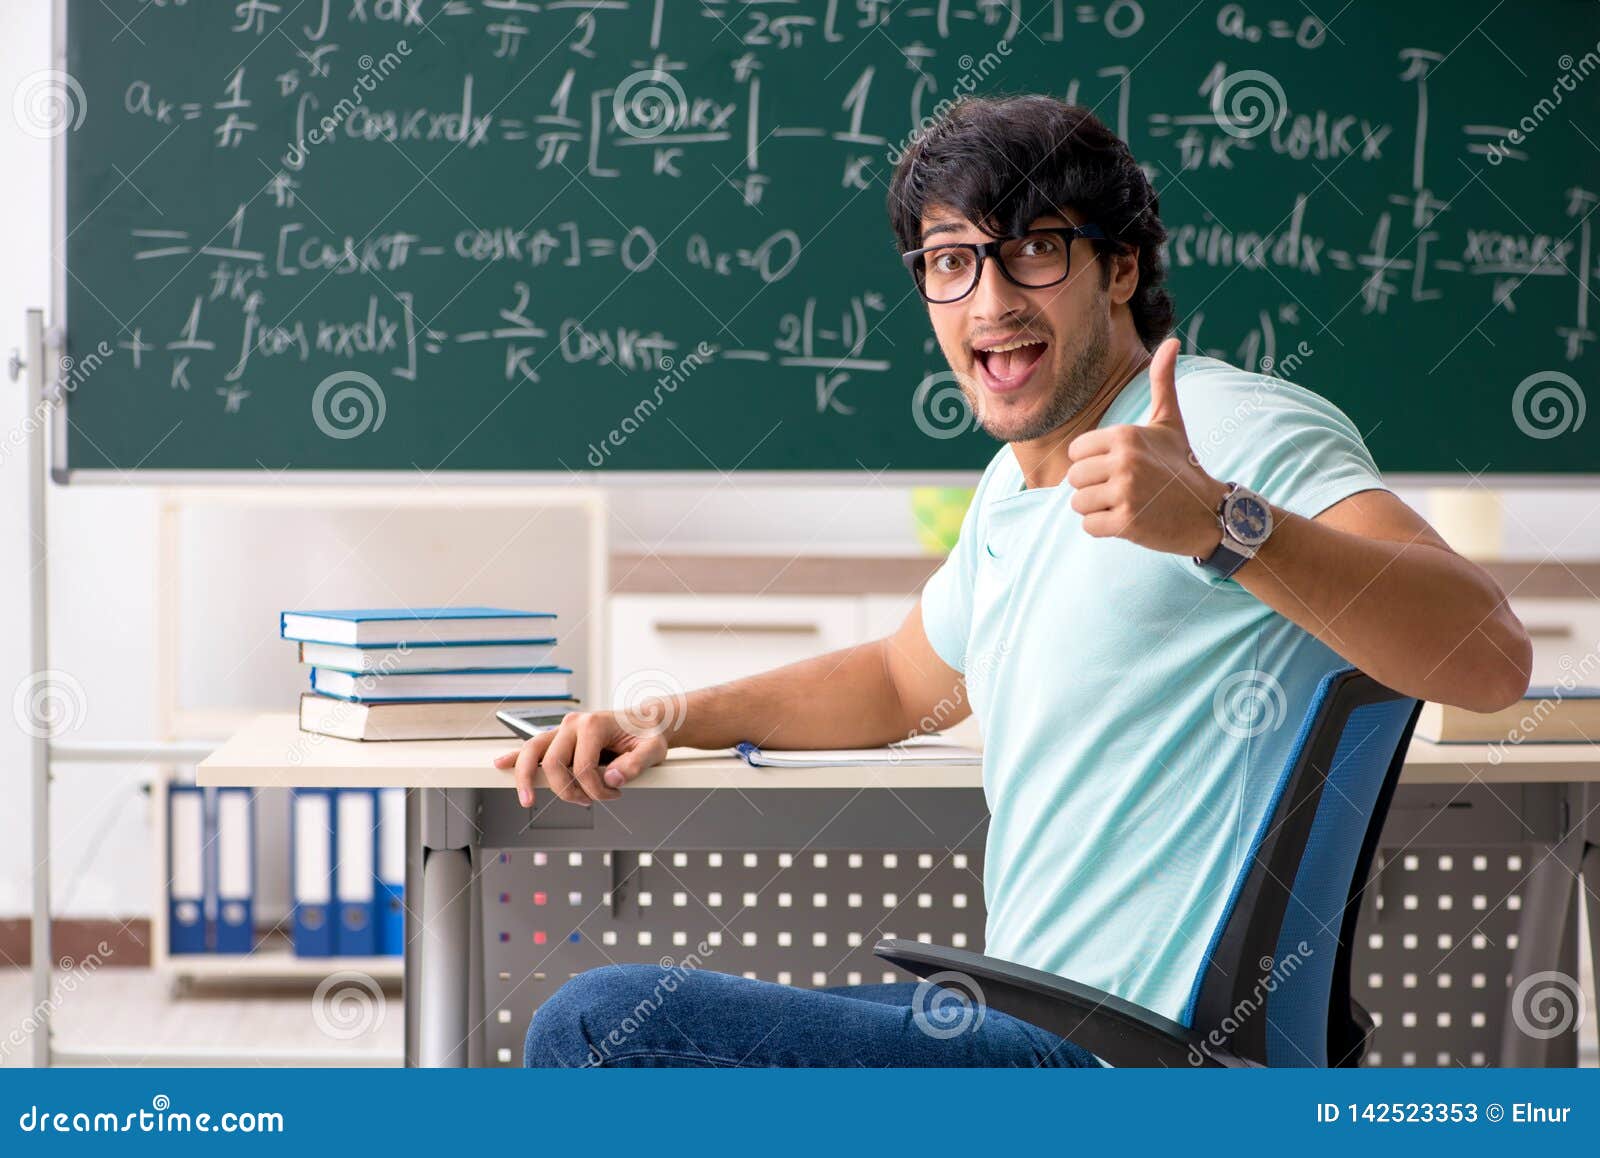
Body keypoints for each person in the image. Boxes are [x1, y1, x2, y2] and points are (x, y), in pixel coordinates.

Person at [499, 96, 1532, 1068]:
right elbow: (904, 683)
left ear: (1119, 270)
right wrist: (670, 717)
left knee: (596, 1028)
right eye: (951, 262)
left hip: (1116, 1056)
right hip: (1026, 1005)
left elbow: (1488, 660)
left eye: (1034, 251)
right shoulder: (1013, 484)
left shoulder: (1227, 424)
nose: (990, 302)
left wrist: (1221, 524)